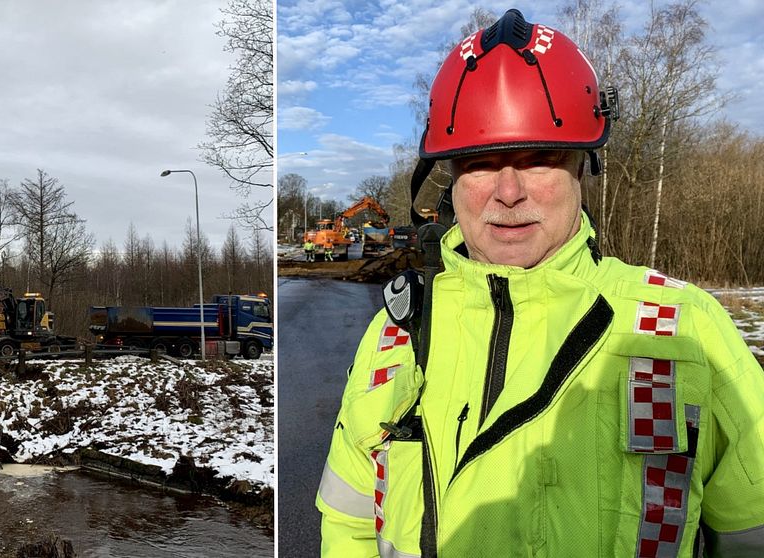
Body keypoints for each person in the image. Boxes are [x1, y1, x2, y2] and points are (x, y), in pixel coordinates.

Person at [316, 9, 764, 558]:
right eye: (480, 162)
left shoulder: (681, 330)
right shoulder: (397, 336)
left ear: (583, 168)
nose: (508, 192)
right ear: (449, 180)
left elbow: (751, 535)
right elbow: (349, 524)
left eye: (539, 159)